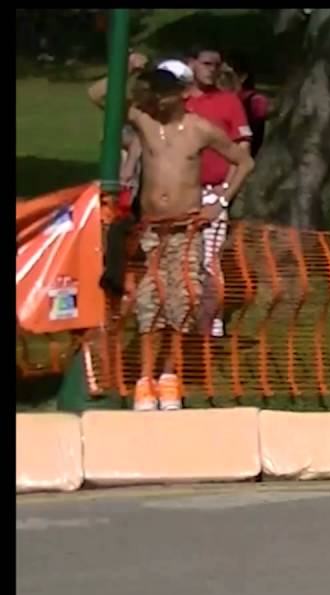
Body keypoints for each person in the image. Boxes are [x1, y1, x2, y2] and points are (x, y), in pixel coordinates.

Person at [88, 55, 255, 410]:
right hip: (151, 230)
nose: (157, 101)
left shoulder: (200, 129)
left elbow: (243, 162)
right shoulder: (144, 120)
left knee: (182, 304)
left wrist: (220, 201)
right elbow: (98, 94)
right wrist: (128, 66)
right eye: (153, 94)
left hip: (186, 230)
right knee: (149, 303)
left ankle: (169, 376)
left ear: (180, 94)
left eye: (163, 95)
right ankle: (144, 379)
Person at [183, 45, 253, 338]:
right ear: (191, 63)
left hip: (213, 191)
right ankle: (181, 319)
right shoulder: (178, 102)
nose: (211, 70)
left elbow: (243, 150)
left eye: (216, 65)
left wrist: (224, 195)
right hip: (179, 193)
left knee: (209, 261)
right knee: (180, 260)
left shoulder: (228, 102)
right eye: (206, 63)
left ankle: (210, 325)